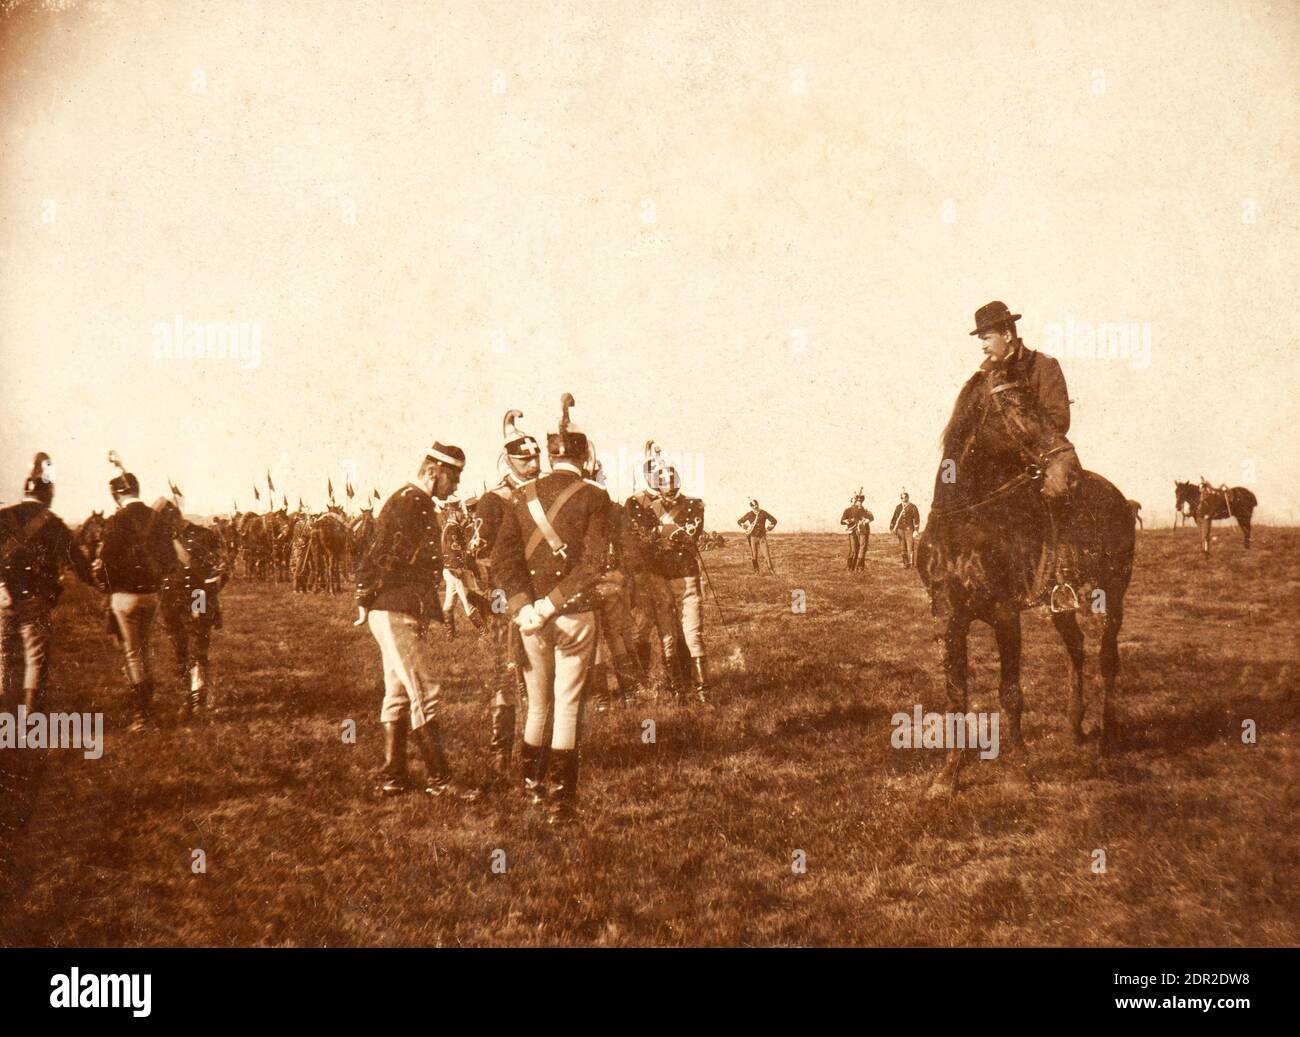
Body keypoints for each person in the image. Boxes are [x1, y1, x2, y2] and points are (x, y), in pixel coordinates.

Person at [490, 394, 610, 825]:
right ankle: (561, 800)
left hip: (527, 620)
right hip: (574, 612)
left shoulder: (522, 496)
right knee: (568, 705)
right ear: (584, 454)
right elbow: (594, 565)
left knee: (537, 705)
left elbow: (504, 561)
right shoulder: (596, 497)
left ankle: (531, 788)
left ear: (552, 453)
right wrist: (550, 605)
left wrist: (525, 606)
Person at [353, 441, 479, 801]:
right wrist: (369, 595)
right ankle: (441, 780)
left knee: (397, 693)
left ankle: (394, 775)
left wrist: (365, 598)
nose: (455, 486)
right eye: (452, 478)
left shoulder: (409, 500)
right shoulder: (415, 502)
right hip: (397, 610)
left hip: (391, 608)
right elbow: (381, 554)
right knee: (425, 691)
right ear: (432, 472)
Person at [969, 300, 1083, 608]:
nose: (982, 345)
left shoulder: (1043, 366)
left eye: (986, 337)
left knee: (1057, 493)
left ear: (1007, 334)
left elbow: (1059, 419)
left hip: (1043, 459)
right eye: (979, 339)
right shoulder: (986, 378)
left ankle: (1063, 582)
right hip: (1003, 466)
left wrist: (1018, 440)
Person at [461, 409, 541, 784]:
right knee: (507, 672)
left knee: (538, 674)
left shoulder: (542, 491)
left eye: (536, 456)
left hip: (539, 596)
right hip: (503, 596)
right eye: (525, 458)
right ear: (508, 460)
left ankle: (537, 749)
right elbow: (479, 552)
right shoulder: (494, 500)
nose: (533, 462)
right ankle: (500, 755)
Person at [0, 453, 95, 714]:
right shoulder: (54, 524)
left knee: (5, 657)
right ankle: (31, 716)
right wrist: (98, 581)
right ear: (49, 494)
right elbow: (78, 563)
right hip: (36, 600)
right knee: (35, 658)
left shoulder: (2, 517)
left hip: (3, 598)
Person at [98, 452, 175, 731]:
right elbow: (171, 562)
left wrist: (108, 587)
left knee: (132, 654)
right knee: (144, 651)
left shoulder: (116, 521)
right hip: (151, 596)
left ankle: (142, 715)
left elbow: (105, 563)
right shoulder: (157, 518)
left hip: (124, 596)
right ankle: (146, 708)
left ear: (118, 494)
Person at [625, 449, 708, 703]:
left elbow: (689, 536)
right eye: (663, 484)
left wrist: (663, 533)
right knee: (667, 633)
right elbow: (640, 533)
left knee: (692, 632)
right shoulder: (646, 508)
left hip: (685, 577)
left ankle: (703, 690)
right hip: (658, 578)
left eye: (671, 483)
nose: (669, 489)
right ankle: (676, 687)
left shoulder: (694, 504)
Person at [154, 486, 227, 719]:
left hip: (198, 596)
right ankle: (187, 696)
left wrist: (210, 595)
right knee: (179, 649)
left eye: (165, 521)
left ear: (174, 515)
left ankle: (198, 698)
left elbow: (221, 571)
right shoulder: (161, 542)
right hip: (171, 600)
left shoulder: (204, 535)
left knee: (198, 645)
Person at [736, 499, 777, 574]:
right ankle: (756, 571)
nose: (755, 506)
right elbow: (739, 521)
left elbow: (774, 521)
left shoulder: (763, 513)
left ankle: (771, 570)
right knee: (754, 555)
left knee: (766, 554)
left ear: (758, 504)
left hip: (762, 537)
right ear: (751, 507)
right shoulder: (749, 514)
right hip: (752, 537)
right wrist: (746, 527)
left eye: (756, 505)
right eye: (753, 505)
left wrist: (768, 528)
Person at [839, 490, 873, 571]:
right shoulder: (848, 510)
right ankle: (850, 567)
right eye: (856, 501)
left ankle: (859, 567)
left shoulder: (864, 510)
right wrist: (850, 520)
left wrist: (867, 519)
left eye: (860, 501)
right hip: (853, 531)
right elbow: (843, 521)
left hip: (862, 531)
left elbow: (871, 517)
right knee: (854, 550)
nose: (857, 503)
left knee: (862, 549)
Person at [889, 491, 921, 569]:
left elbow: (917, 518)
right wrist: (891, 527)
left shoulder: (912, 506)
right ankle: (905, 564)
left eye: (905, 497)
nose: (904, 499)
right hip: (900, 530)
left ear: (908, 497)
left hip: (909, 529)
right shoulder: (898, 507)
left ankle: (911, 564)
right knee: (902, 547)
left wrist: (916, 530)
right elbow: (894, 517)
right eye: (902, 497)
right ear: (901, 498)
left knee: (910, 547)